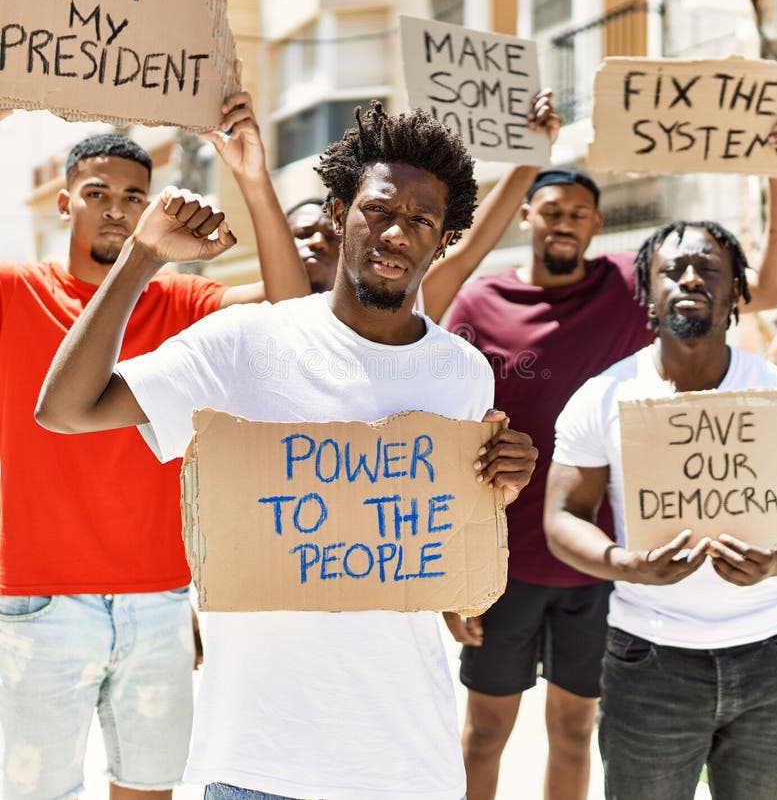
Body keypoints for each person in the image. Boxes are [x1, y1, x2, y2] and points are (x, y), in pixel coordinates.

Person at [36, 102, 538, 799]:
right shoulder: (245, 342)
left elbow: (440, 536)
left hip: (407, 764)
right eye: (378, 210)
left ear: (445, 241)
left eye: (422, 220)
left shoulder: (464, 371)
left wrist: (503, 480)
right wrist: (140, 257)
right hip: (255, 763)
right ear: (339, 212)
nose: (396, 232)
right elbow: (65, 409)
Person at [443, 109, 777, 800]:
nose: (564, 223)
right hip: (508, 562)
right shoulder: (482, 303)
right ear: (525, 216)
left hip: (601, 579)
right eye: (551, 210)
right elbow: (453, 436)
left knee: (574, 732)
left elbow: (770, 288)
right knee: (483, 734)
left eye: (579, 212)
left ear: (597, 225)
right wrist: (454, 570)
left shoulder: (631, 292)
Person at [0, 87, 308, 800]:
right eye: (97, 193)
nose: (116, 208)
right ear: (64, 203)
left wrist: (252, 176)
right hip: (38, 600)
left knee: (149, 791)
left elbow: (293, 314)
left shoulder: (181, 302)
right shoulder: (17, 291)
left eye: (134, 196)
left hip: (158, 600)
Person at [545, 219, 777, 800]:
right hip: (648, 660)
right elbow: (563, 519)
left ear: (736, 292)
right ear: (647, 291)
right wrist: (626, 565)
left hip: (773, 657)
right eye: (673, 270)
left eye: (709, 268)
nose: (690, 279)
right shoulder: (604, 397)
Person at [281, 92, 562, 323]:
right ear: (341, 218)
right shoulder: (263, 323)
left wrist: (531, 156)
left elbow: (469, 250)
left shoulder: (422, 322)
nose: (317, 243)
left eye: (420, 220)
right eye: (377, 210)